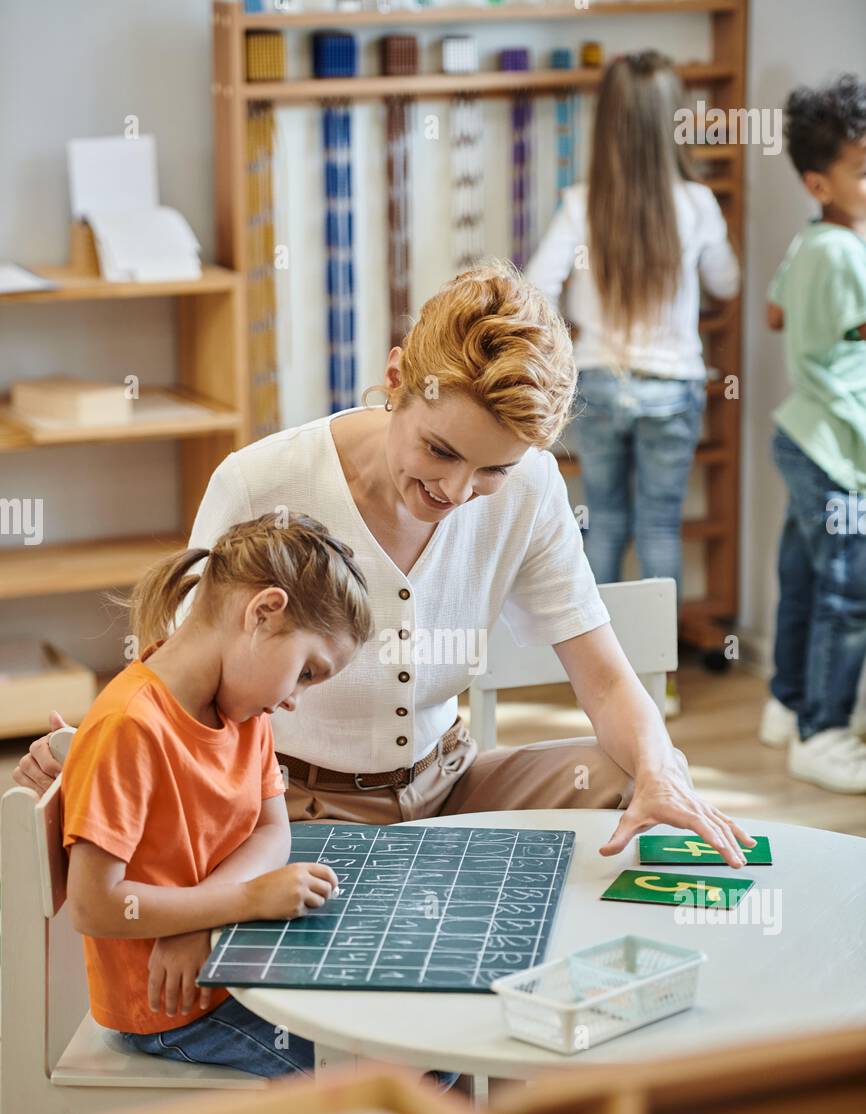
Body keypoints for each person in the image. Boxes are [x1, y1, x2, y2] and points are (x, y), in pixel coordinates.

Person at [17, 260, 752, 871]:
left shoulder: (530, 490)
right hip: (290, 810)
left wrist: (659, 774)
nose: (456, 492)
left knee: (635, 777)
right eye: (440, 450)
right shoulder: (261, 482)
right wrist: (98, 750)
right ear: (398, 379)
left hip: (452, 786)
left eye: (491, 470)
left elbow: (605, 679)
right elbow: (179, 684)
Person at [60, 513, 372, 1079]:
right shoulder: (130, 725)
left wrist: (199, 920)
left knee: (403, 1042)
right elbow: (94, 904)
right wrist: (243, 902)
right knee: (394, 1072)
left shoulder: (241, 707)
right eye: (306, 671)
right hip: (173, 1011)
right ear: (263, 613)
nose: (295, 700)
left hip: (231, 965)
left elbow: (271, 829)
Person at [526, 50, 740, 713]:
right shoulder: (697, 204)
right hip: (669, 386)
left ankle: (596, 682)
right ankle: (659, 682)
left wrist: (571, 347)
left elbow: (534, 288)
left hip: (594, 387)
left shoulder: (580, 205)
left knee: (603, 526)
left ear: (608, 123)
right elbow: (726, 285)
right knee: (658, 530)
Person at [760, 74, 866, 793]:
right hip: (837, 449)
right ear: (819, 182)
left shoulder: (810, 244)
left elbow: (774, 315)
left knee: (802, 580)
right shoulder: (844, 253)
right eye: (863, 171)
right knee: (846, 593)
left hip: (802, 437)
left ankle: (785, 703)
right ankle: (822, 731)